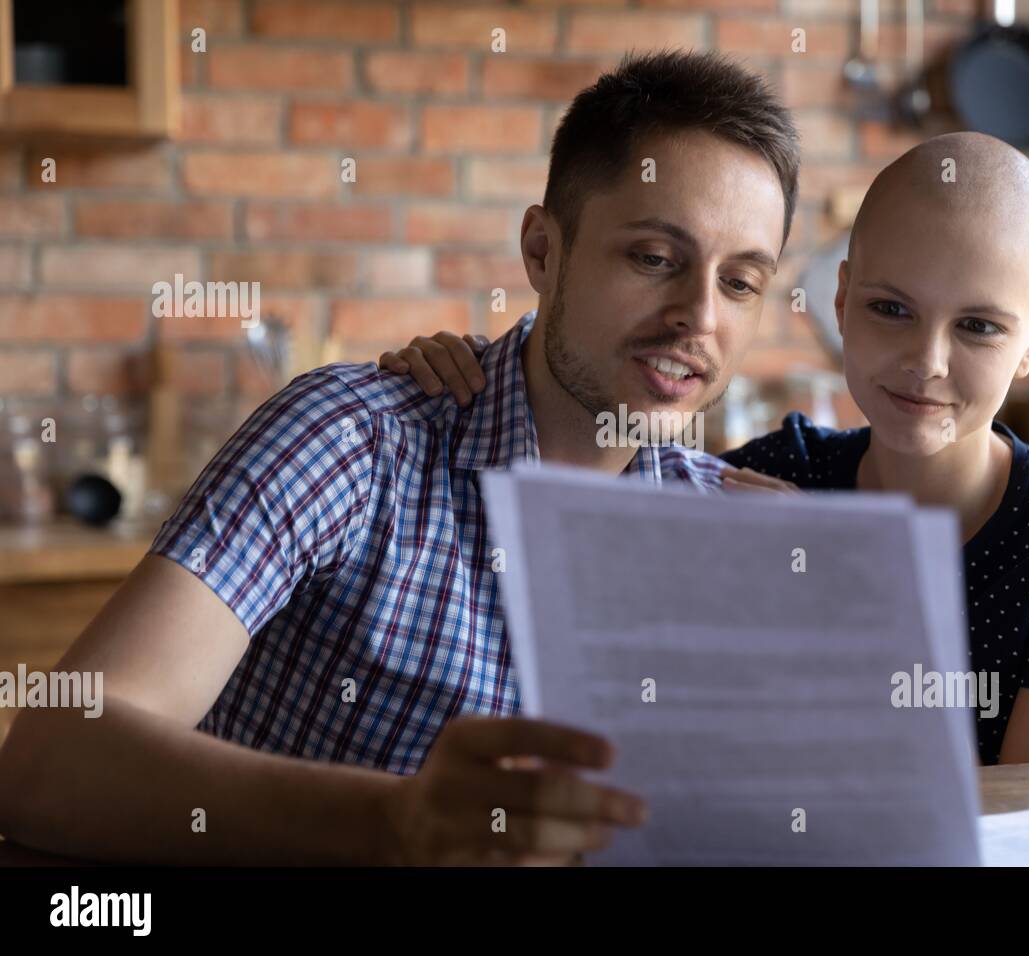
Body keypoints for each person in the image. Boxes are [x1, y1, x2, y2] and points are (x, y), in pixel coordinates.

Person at [0, 50, 800, 866]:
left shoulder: (732, 533)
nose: (697, 317)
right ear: (541, 251)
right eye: (655, 259)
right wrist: (397, 823)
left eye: (740, 283)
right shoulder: (353, 440)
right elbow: (51, 758)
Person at [380, 132, 1029, 767]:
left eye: (979, 327)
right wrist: (471, 370)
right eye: (891, 309)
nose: (927, 360)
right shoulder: (775, 476)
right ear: (842, 302)